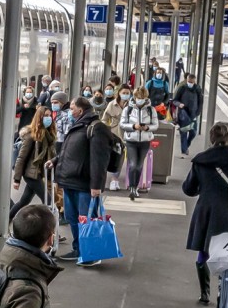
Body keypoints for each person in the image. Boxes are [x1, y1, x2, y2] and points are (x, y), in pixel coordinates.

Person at [183, 122, 228, 306]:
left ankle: (204, 293)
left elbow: (189, 189)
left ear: (212, 137)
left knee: (203, 252)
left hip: (205, 210)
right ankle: (223, 293)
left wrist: (204, 187)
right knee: (227, 254)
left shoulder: (200, 159)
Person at [53, 97, 109, 267]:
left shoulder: (96, 127)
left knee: (87, 219)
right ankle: (78, 249)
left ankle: (90, 254)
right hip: (70, 181)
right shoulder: (78, 125)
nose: (70, 111)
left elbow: (99, 160)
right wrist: (55, 161)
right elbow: (69, 150)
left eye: (72, 108)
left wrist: (96, 185)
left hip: (85, 184)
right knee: (72, 217)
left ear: (80, 110)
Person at [10, 105, 56, 215]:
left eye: (50, 116)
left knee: (24, 201)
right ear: (39, 117)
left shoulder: (48, 134)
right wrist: (17, 179)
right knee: (48, 201)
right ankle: (50, 229)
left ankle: (7, 219)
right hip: (30, 173)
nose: (48, 118)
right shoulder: (31, 135)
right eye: (45, 116)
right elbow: (22, 158)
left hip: (38, 173)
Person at [119, 87, 155, 200]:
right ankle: (132, 188)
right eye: (139, 97)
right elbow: (122, 124)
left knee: (139, 166)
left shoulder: (151, 110)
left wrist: (147, 127)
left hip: (145, 141)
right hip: (131, 141)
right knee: (133, 165)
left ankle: (135, 187)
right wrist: (134, 126)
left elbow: (156, 125)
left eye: (143, 98)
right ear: (135, 97)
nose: (141, 100)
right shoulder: (128, 109)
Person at [172, 72, 204, 154]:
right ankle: (184, 150)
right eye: (189, 82)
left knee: (193, 132)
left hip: (193, 114)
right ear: (187, 80)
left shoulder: (198, 89)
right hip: (183, 114)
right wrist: (179, 104)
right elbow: (174, 100)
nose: (190, 83)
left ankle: (186, 145)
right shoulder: (182, 88)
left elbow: (200, 102)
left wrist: (197, 113)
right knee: (183, 132)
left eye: (191, 82)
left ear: (194, 81)